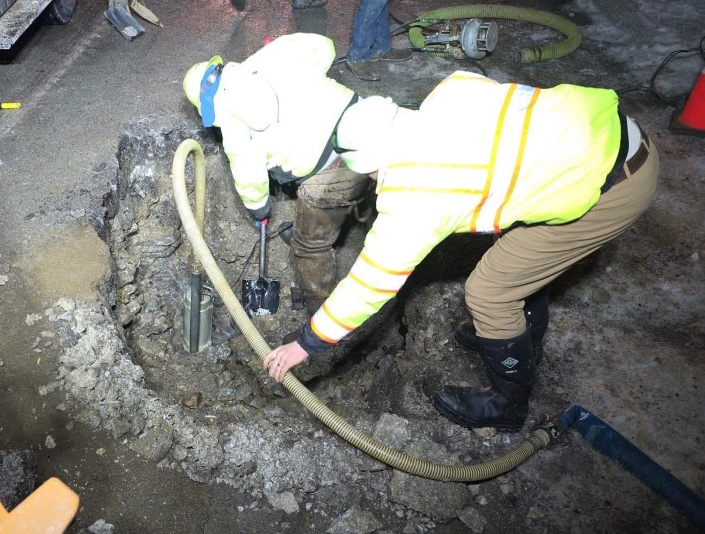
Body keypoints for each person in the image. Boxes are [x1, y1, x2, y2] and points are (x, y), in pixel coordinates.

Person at [262, 70, 659, 432]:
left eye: (368, 172)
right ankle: (518, 338)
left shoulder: (417, 194)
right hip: (611, 134)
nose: (370, 179)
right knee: (514, 254)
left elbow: (371, 284)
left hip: (612, 188)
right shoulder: (450, 91)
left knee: (490, 291)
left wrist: (305, 343)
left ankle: (507, 403)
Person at [183, 33, 375, 314]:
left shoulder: (231, 122)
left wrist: (259, 208)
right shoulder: (270, 55)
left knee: (310, 246)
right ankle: (357, 220)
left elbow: (248, 173)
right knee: (370, 191)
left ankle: (322, 321)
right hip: (366, 121)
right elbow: (324, 48)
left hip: (331, 167)